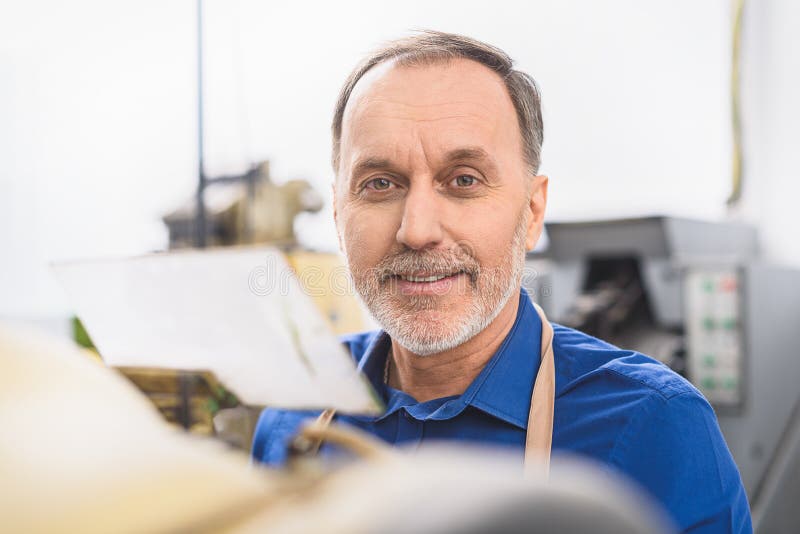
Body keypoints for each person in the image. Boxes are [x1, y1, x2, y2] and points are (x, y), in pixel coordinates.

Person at [251, 31, 752, 533]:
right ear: (339, 215)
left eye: (464, 180)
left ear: (531, 212)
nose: (417, 230)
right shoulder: (293, 413)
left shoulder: (655, 428)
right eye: (380, 184)